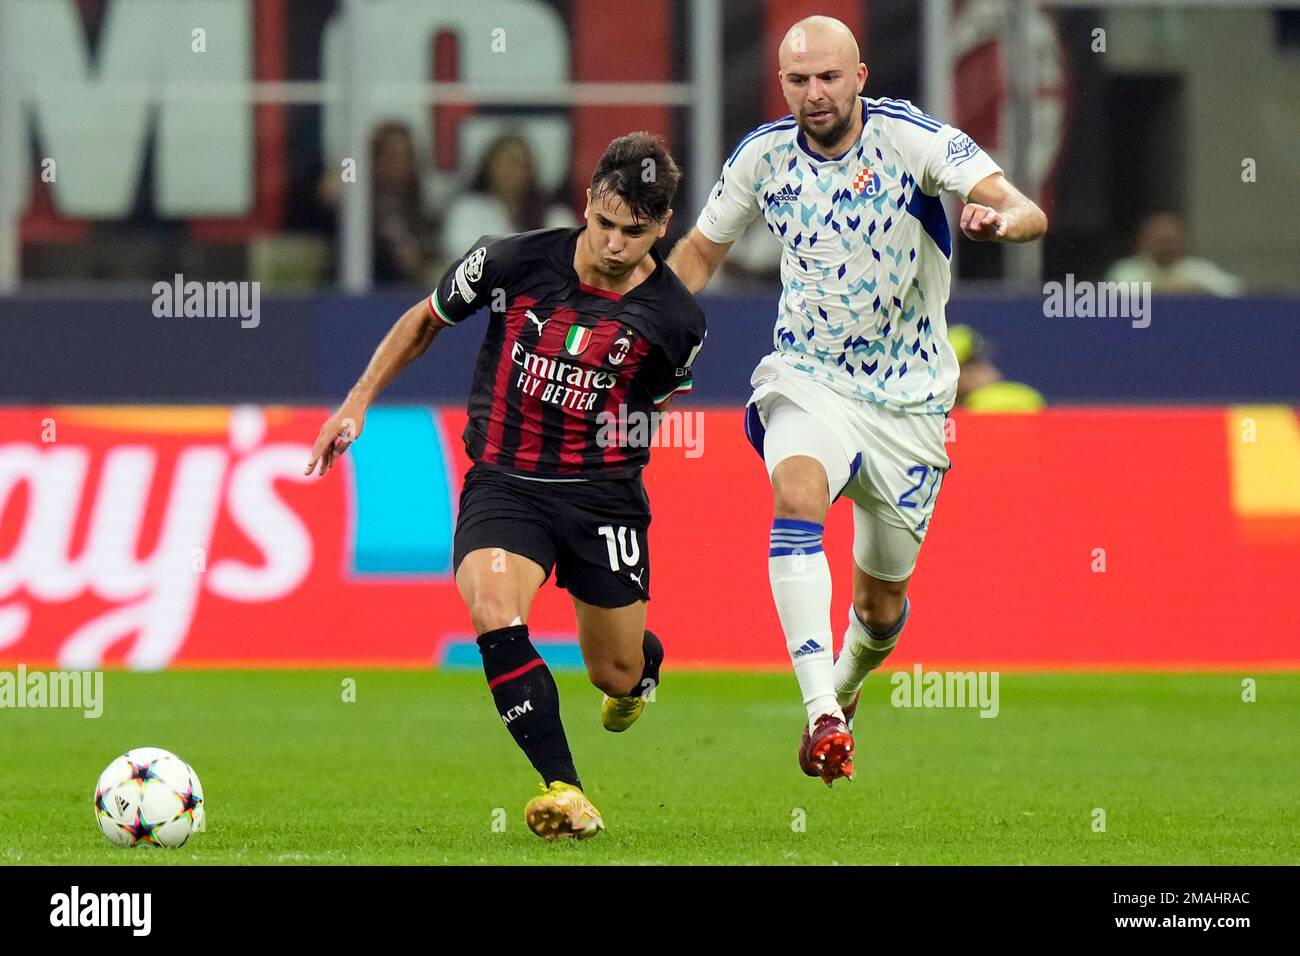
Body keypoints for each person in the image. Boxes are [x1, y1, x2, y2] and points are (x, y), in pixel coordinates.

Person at [667, 16, 1047, 785]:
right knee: (796, 492)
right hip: (808, 378)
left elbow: (1025, 208)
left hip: (910, 403)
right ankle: (821, 714)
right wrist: (644, 325)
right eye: (799, 81)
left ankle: (843, 688)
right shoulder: (762, 158)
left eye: (830, 78)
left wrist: (997, 219)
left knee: (879, 614)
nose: (815, 94)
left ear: (861, 76)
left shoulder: (913, 141)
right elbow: (701, 251)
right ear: (782, 85)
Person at [306, 132, 705, 840]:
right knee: (493, 607)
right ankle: (565, 787)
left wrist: (608, 429)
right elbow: (425, 320)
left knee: (613, 671)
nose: (613, 244)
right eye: (604, 223)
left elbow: (657, 406)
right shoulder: (511, 260)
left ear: (662, 225)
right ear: (587, 203)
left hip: (602, 496)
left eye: (634, 233)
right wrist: (357, 400)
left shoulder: (675, 317)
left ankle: (642, 670)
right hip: (505, 484)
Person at [441, 133, 576, 262]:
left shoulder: (554, 214)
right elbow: (461, 257)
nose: (512, 170)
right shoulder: (468, 209)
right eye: (506, 162)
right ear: (488, 167)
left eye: (520, 163)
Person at [1106, 211, 1243, 296]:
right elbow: (1116, 294)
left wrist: (1196, 289)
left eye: (1170, 240)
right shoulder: (1126, 269)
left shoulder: (1199, 269)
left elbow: (1234, 291)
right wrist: (1162, 288)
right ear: (1144, 240)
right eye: (1159, 240)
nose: (1165, 246)